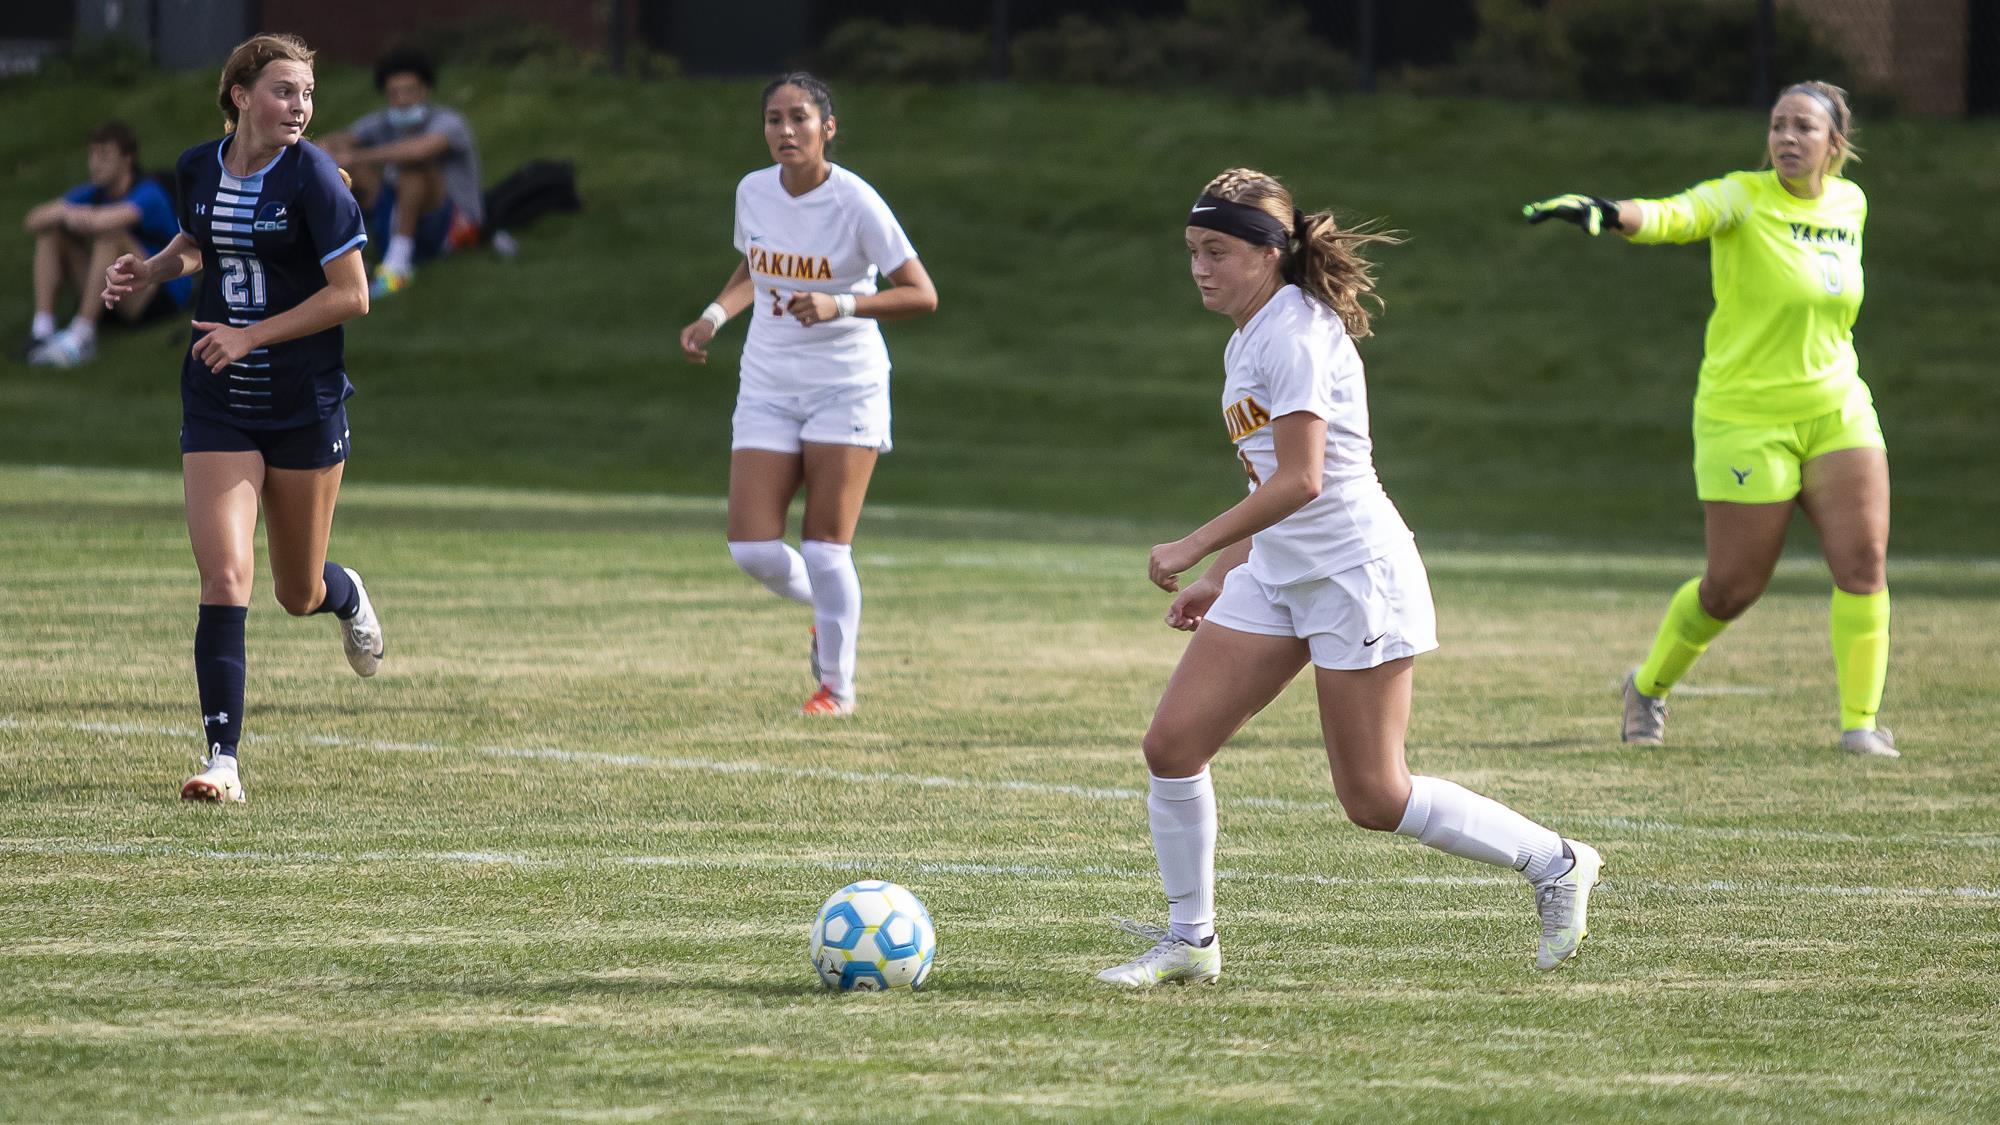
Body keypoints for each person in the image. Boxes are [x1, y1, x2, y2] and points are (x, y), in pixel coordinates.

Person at [1096, 169, 1602, 988]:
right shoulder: (1248, 335)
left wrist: (1193, 544)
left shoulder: (1294, 331)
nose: (1200, 267)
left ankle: (1556, 859)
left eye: (1217, 251)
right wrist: (1227, 572)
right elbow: (1271, 482)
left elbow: (1303, 480)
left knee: (1374, 796)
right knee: (1173, 744)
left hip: (1353, 573)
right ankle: (1191, 939)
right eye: (1192, 251)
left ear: (1268, 254)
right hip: (1280, 572)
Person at [1523, 81, 1895, 758]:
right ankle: (1647, 685)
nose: (1786, 138)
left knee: (1864, 562)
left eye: (1803, 128)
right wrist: (1611, 212)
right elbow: (1676, 214)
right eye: (1778, 125)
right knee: (1731, 587)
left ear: (1833, 144)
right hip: (1744, 416)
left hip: (1838, 405)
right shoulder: (1741, 196)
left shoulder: (1851, 203)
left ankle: (1860, 725)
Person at [101, 33, 385, 804]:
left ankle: (346, 592)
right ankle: (222, 761)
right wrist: (153, 268)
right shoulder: (200, 165)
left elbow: (352, 294)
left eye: (306, 95)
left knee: (296, 591)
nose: (299, 108)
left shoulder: (318, 179)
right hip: (218, 399)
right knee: (226, 576)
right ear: (239, 95)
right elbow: (202, 240)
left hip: (302, 402)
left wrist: (252, 334)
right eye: (284, 92)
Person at [678, 72, 938, 717]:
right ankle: (828, 609)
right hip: (767, 382)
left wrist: (841, 303)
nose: (785, 130)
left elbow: (920, 293)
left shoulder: (856, 202)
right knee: (754, 550)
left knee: (825, 548)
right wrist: (714, 315)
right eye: (774, 119)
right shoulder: (753, 191)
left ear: (828, 128)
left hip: (845, 386)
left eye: (799, 118)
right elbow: (755, 265)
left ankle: (836, 689)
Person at [22, 122, 192, 366]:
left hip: (157, 293)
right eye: (92, 154)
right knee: (50, 232)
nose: (95, 163)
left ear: (127, 158)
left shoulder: (149, 192)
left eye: (104, 155)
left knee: (110, 234)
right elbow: (33, 220)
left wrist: (69, 212)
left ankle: (82, 336)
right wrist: (64, 214)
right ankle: (42, 330)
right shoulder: (94, 192)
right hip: (114, 290)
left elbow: (110, 219)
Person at [320, 50, 483, 298]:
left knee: (413, 171)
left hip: (449, 226)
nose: (402, 100)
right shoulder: (382, 122)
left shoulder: (449, 122)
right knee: (347, 171)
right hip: (394, 212)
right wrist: (326, 151)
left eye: (409, 91)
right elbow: (331, 143)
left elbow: (419, 151)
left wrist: (357, 155)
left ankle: (397, 269)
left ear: (424, 91)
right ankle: (347, 256)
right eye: (394, 93)